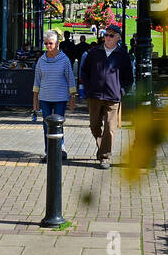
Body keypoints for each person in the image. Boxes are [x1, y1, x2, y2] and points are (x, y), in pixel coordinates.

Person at [80, 23, 133, 169]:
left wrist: (120, 92)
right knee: (94, 126)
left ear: (118, 38)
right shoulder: (94, 53)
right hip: (94, 96)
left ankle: (105, 157)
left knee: (110, 128)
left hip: (113, 97)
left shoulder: (122, 55)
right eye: (106, 35)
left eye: (111, 35)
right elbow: (84, 72)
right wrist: (88, 88)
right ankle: (103, 148)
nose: (107, 38)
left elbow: (129, 78)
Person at [33, 30, 76, 163]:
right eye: (46, 43)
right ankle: (49, 151)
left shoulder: (64, 60)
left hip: (60, 97)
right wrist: (35, 100)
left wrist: (72, 98)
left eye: (50, 43)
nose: (48, 46)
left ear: (57, 43)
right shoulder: (41, 60)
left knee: (58, 124)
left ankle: (60, 149)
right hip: (45, 97)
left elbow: (70, 79)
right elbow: (37, 80)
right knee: (46, 125)